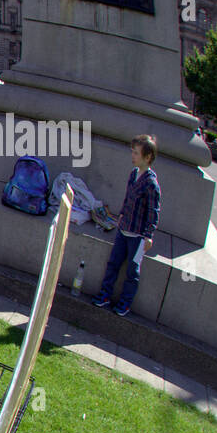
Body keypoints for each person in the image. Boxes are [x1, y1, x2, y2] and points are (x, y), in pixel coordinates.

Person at [92, 134, 161, 317]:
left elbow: (153, 212)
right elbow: (128, 198)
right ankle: (105, 294)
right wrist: (121, 214)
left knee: (132, 271)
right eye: (132, 152)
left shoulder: (151, 184)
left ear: (147, 157)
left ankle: (125, 303)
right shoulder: (133, 174)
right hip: (123, 230)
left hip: (137, 236)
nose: (132, 156)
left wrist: (148, 235)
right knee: (113, 263)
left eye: (136, 153)